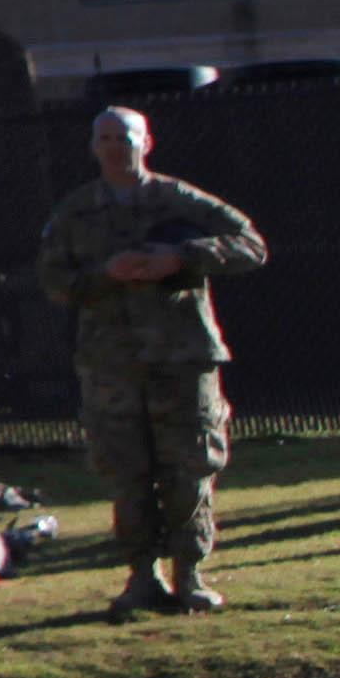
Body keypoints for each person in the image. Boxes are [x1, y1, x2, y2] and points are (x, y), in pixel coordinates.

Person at [39, 107, 271, 616]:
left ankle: (190, 574)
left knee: (190, 467)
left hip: (182, 356)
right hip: (112, 363)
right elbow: (54, 281)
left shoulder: (178, 199)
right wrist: (107, 274)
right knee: (128, 472)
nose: (114, 148)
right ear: (92, 147)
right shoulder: (76, 212)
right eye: (105, 138)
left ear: (146, 143)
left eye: (124, 138)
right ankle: (142, 577)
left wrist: (181, 258)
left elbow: (251, 245)